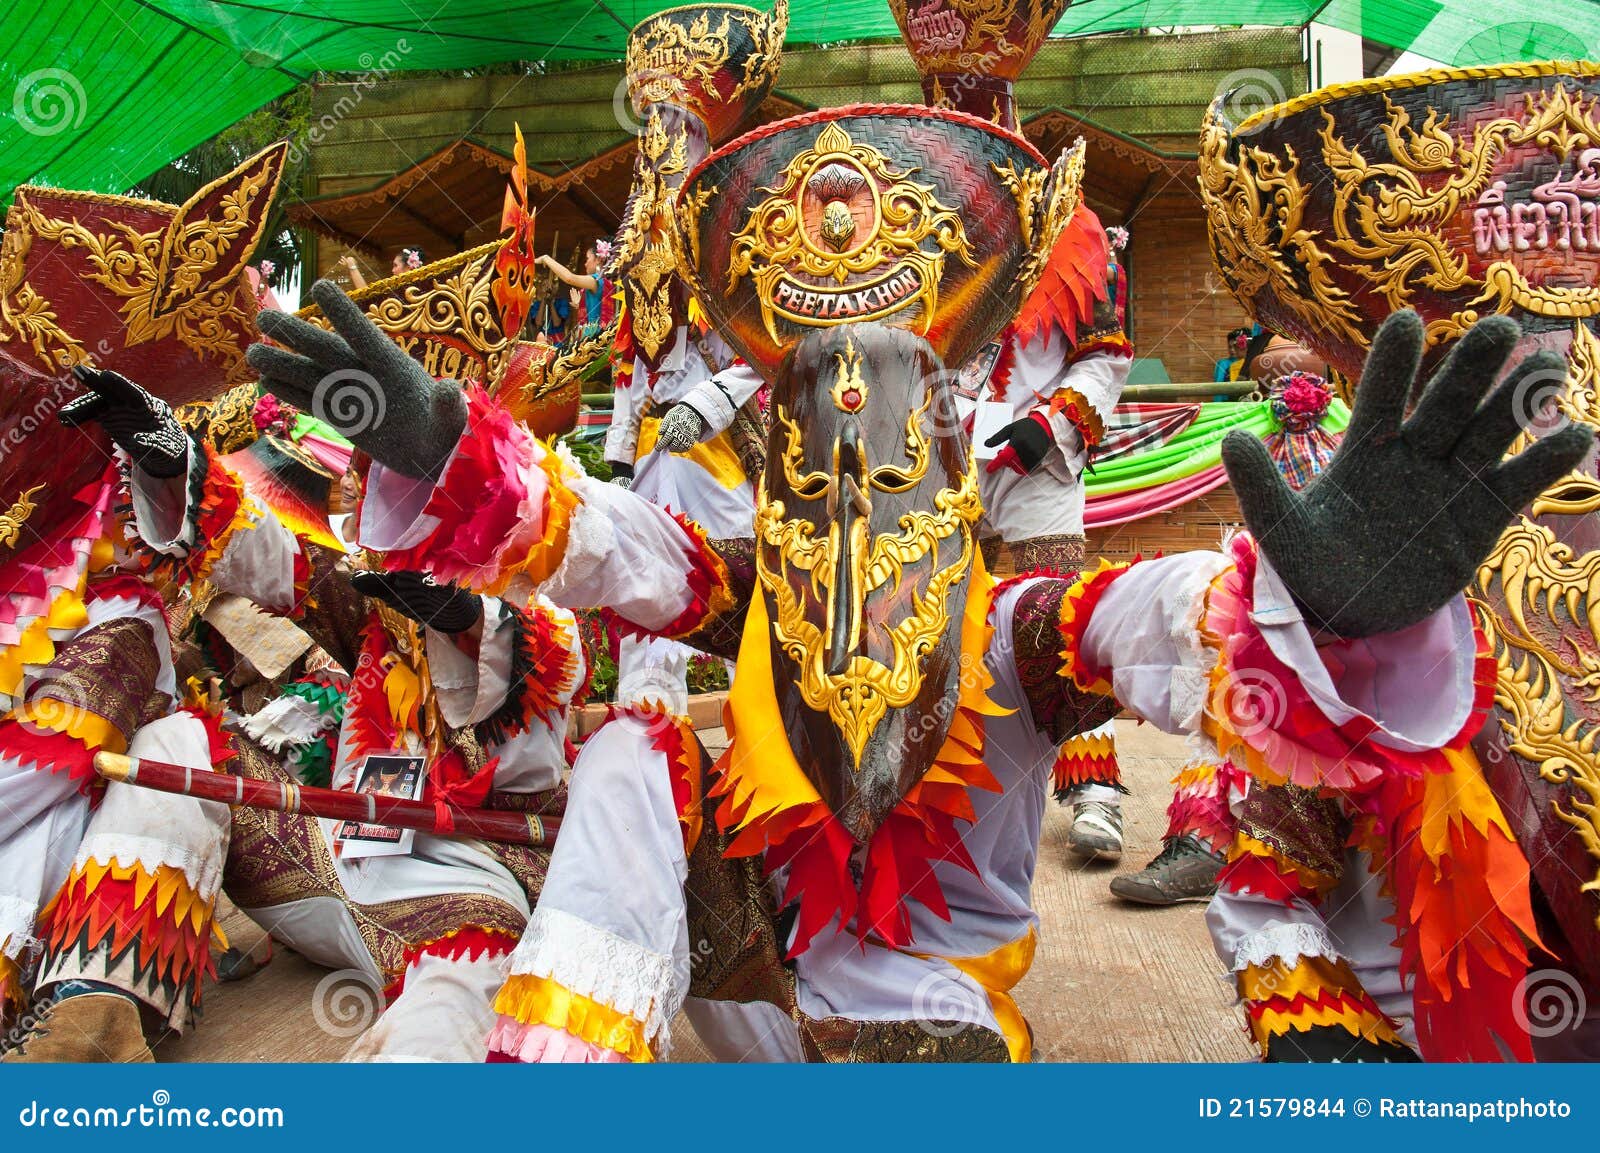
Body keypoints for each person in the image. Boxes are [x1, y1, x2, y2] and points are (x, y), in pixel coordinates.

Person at [247, 277, 1585, 1063]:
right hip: (744, 978)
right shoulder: (747, 594)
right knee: (628, 751)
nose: (852, 519)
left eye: (885, 484)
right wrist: (452, 454)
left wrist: (1327, 609)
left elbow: (1160, 615)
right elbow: (602, 539)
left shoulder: (1020, 631)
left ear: (948, 491)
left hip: (938, 1024)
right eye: (819, 488)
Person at [339, 246, 426, 292]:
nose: (392, 270)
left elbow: (366, 296)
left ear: (409, 268)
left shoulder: (401, 291)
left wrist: (352, 267)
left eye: (395, 265)